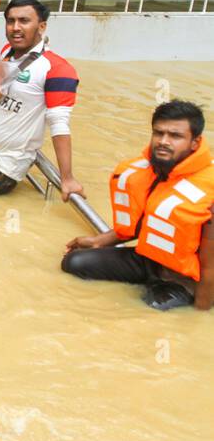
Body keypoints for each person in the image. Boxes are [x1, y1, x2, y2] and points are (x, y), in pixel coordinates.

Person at [63, 101, 214, 311]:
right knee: (74, 263)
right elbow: (145, 222)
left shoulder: (210, 191)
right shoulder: (154, 171)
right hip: (147, 260)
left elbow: (209, 269)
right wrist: (98, 241)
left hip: (182, 280)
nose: (163, 141)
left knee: (146, 312)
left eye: (175, 136)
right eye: (158, 133)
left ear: (195, 143)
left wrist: (199, 317)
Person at [0, 0, 82, 197]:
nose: (15, 27)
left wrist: (67, 178)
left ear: (42, 26)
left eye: (24, 21)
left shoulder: (58, 70)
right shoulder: (8, 51)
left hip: (1, 162)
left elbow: (59, 125)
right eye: (10, 21)